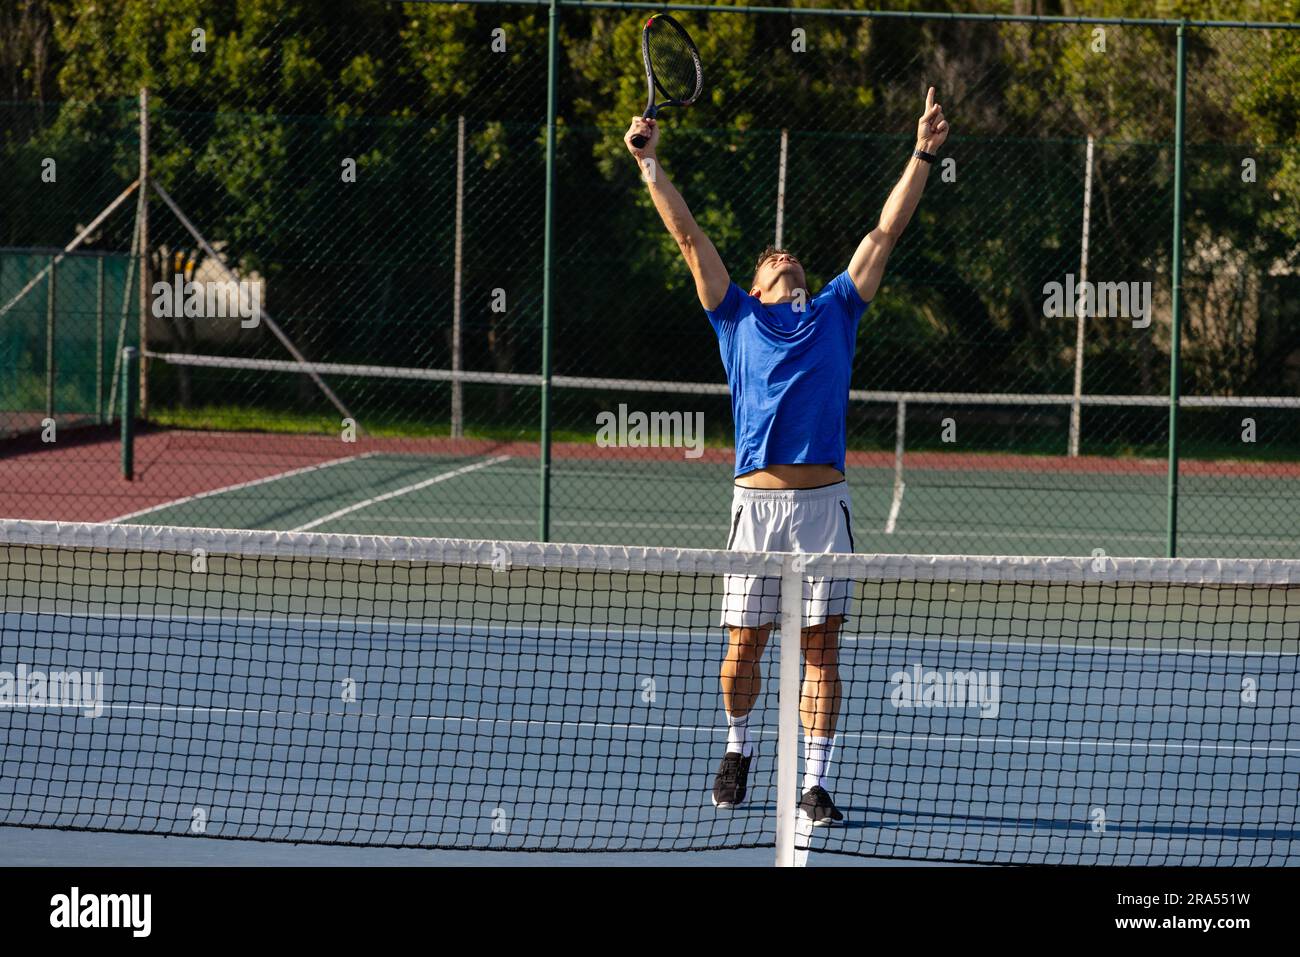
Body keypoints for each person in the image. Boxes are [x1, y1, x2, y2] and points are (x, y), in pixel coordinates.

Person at [624, 89, 949, 826]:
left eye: (788, 254)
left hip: (822, 511)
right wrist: (651, 166)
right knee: (743, 650)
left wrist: (924, 151)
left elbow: (886, 230)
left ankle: (815, 783)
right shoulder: (735, 314)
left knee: (822, 655)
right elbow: (687, 237)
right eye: (772, 257)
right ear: (761, 282)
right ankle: (738, 748)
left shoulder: (838, 306)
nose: (782, 255)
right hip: (756, 509)